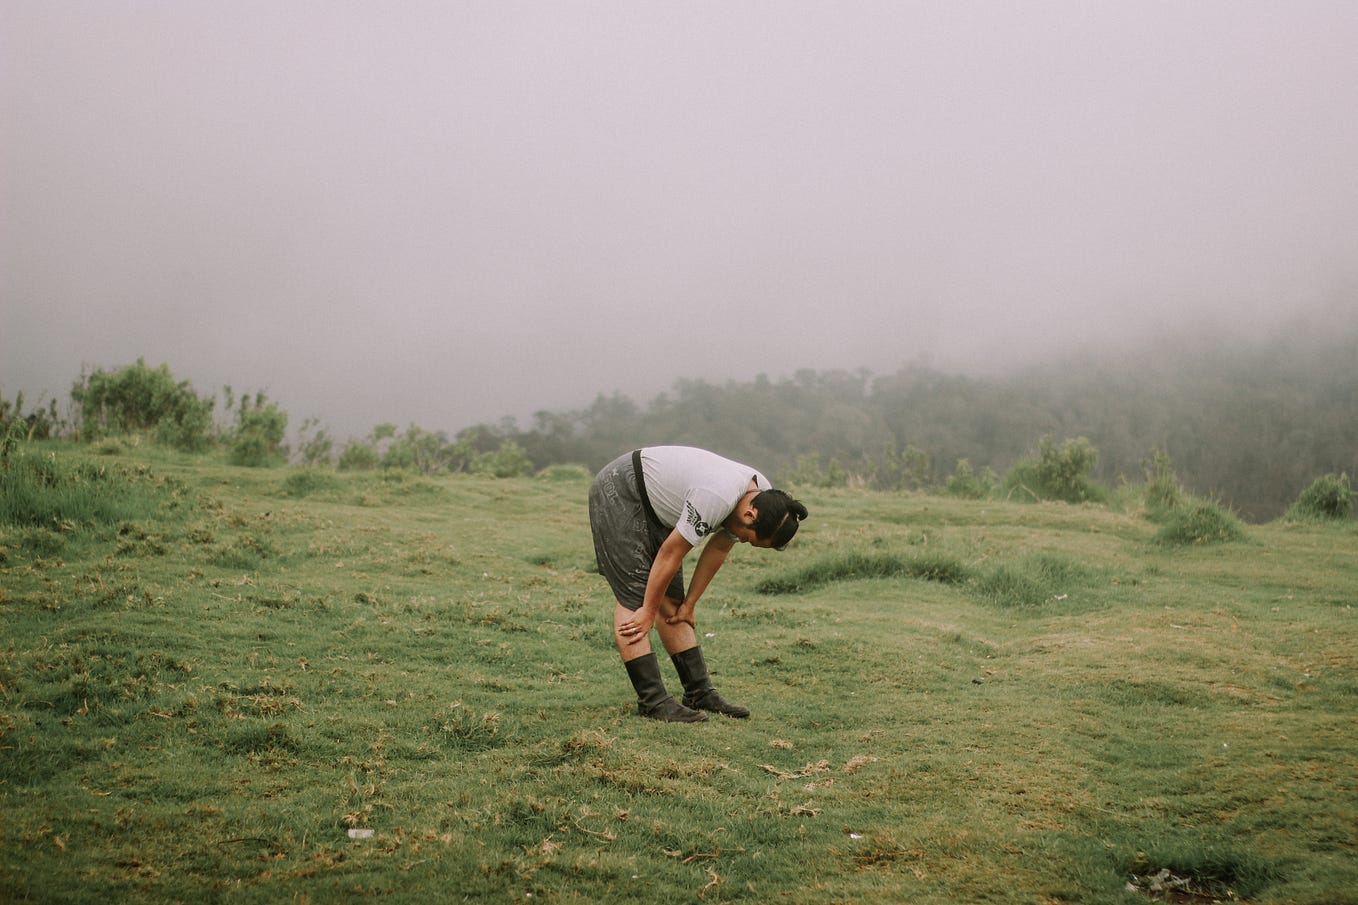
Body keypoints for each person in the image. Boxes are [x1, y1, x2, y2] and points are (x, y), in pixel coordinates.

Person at [588, 446, 809, 722]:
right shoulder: (715, 497)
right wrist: (647, 609)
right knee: (635, 599)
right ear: (750, 515)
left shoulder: (764, 496)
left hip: (657, 507)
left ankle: (699, 692)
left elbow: (718, 548)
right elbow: (671, 553)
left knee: (672, 602)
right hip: (622, 490)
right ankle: (653, 701)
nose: (742, 541)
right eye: (748, 539)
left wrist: (690, 604)